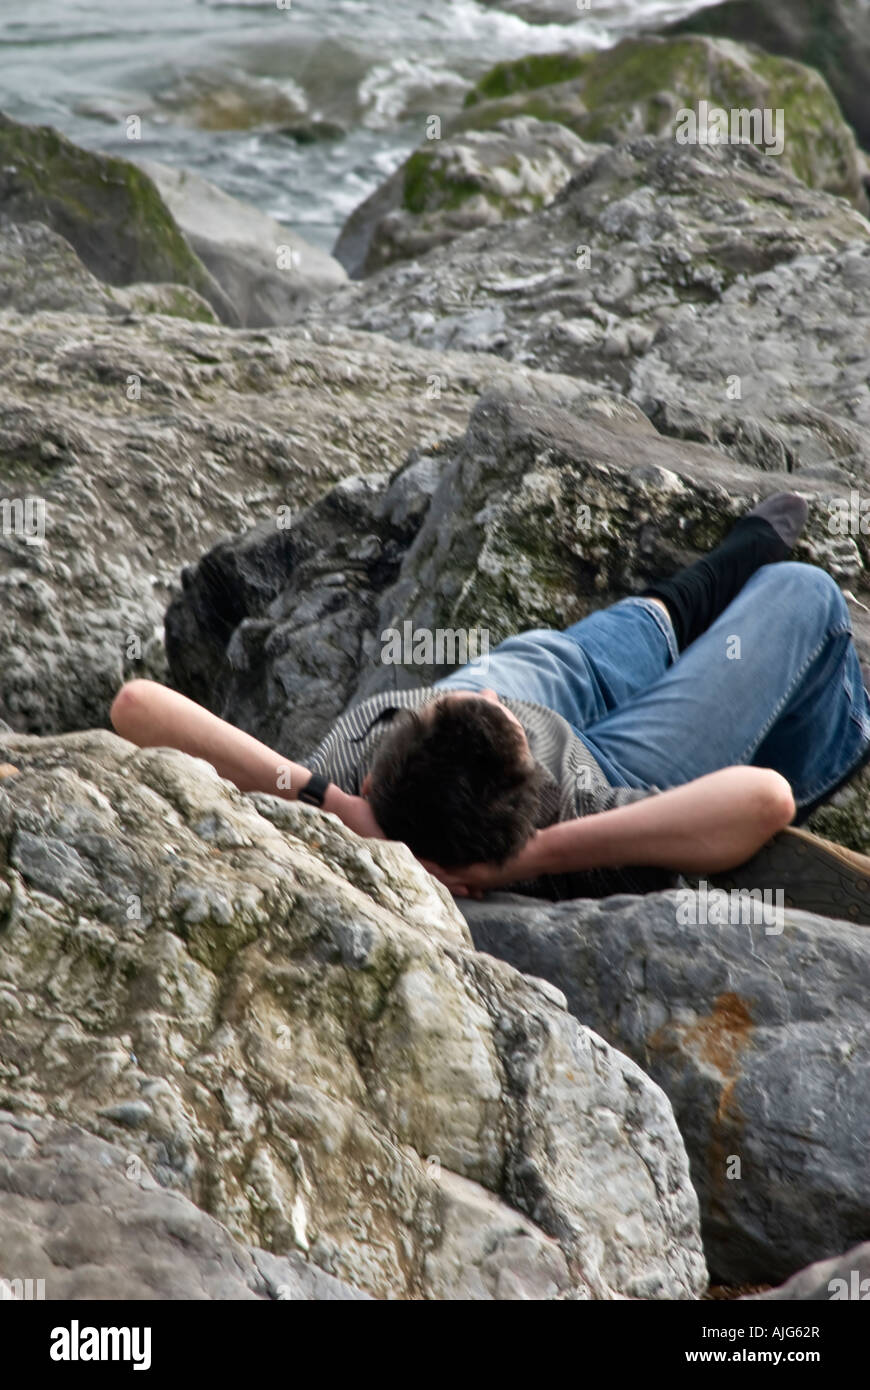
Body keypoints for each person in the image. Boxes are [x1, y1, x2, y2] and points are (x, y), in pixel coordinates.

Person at [110, 493, 870, 921]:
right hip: (608, 763)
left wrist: (330, 802)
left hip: (516, 724)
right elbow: (763, 801)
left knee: (570, 650)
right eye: (474, 706)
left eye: (451, 705)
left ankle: (709, 576)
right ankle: (806, 705)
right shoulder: (574, 819)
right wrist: (532, 856)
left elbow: (138, 706)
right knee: (801, 595)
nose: (473, 698)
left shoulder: (358, 769)